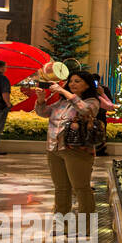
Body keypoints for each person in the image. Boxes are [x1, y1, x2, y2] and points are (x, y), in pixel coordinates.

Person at [33, 71, 101, 214]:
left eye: (77, 81)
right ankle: (61, 223)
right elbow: (43, 112)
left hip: (77, 150)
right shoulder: (62, 102)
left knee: (81, 188)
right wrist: (40, 99)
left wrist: (63, 90)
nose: (72, 84)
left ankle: (85, 227)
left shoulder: (92, 102)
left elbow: (85, 110)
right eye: (71, 81)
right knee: (61, 188)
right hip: (54, 149)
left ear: (87, 84)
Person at [0, 59, 11, 155]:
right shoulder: (2, 78)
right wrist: (8, 103)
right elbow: (5, 92)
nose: (6, 69)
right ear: (1, 67)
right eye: (5, 67)